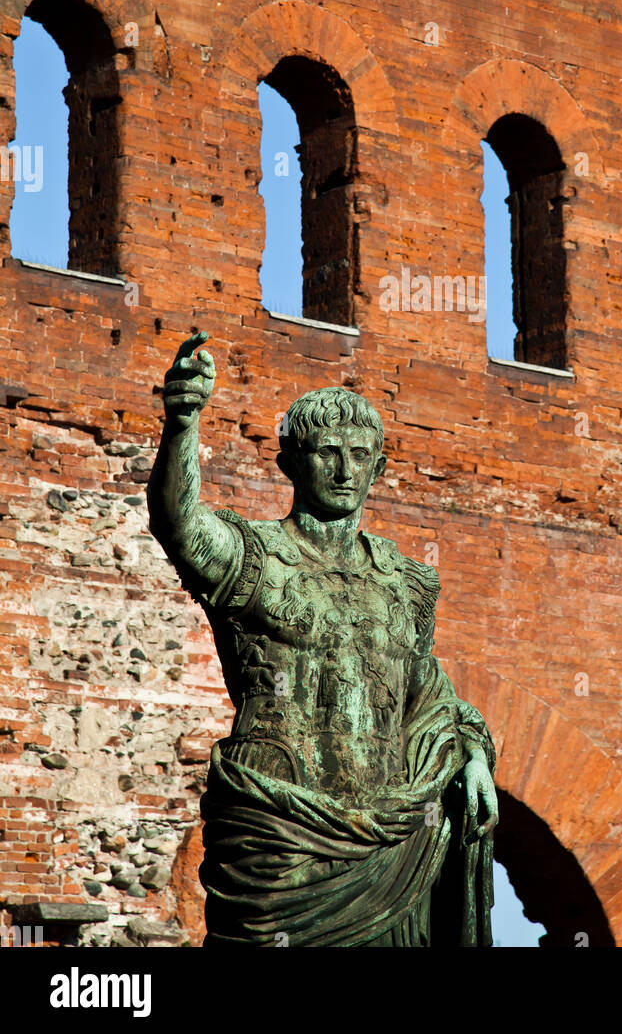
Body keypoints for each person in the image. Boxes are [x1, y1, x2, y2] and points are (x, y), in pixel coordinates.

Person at [147, 330, 498, 946]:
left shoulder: (408, 582)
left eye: (360, 455)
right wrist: (183, 423)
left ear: (379, 467)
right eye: (326, 452)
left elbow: (426, 695)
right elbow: (178, 523)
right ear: (289, 463)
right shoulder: (253, 557)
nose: (344, 470)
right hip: (277, 839)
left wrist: (471, 756)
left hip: (391, 841)